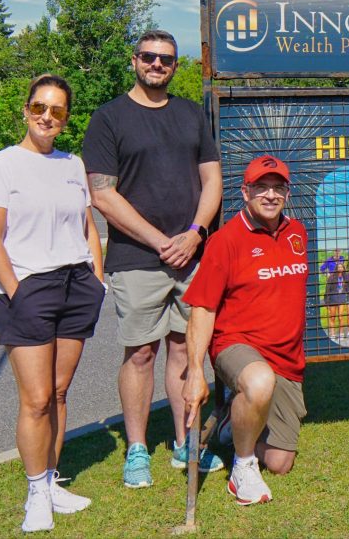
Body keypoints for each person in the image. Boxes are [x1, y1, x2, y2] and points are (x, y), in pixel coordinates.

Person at [82, 29, 224, 487]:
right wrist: (161, 240)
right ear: (134, 60)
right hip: (136, 257)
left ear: (175, 66)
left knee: (185, 350)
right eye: (149, 57)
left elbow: (212, 179)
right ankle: (138, 449)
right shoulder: (108, 119)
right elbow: (103, 195)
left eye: (166, 59)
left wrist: (196, 234)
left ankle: (186, 443)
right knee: (141, 352)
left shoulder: (190, 115)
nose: (157, 64)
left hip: (191, 254)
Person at [0, 74, 107, 532]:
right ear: (26, 109)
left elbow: (87, 223)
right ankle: (35, 492)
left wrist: (98, 276)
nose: (47, 117)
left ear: (65, 118)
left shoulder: (73, 164)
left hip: (76, 284)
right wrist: (16, 290)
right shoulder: (1, 165)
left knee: (58, 392)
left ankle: (52, 481)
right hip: (28, 287)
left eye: (57, 111)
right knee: (34, 400)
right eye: (39, 108)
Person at [183, 155, 308, 505]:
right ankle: (242, 469)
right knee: (257, 381)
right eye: (261, 188)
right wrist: (195, 371)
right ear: (245, 192)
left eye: (278, 187)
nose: (270, 195)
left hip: (286, 360)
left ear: (287, 192)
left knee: (281, 463)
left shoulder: (297, 233)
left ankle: (230, 423)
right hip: (236, 345)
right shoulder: (225, 241)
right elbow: (203, 309)